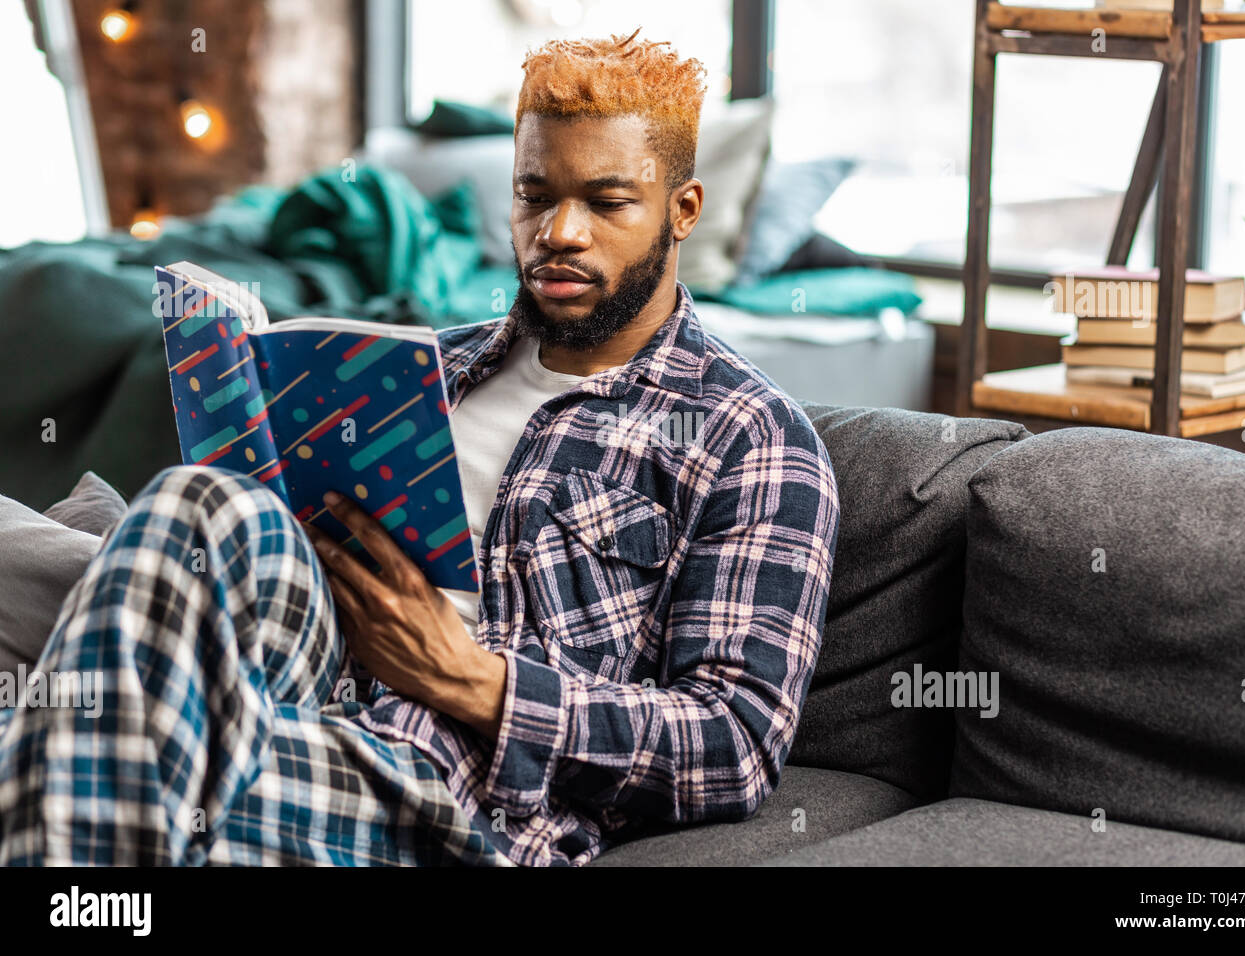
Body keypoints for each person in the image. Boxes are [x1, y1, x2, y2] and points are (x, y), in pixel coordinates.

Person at [0, 29, 839, 867]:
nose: (559, 233)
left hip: (447, 788)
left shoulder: (750, 437)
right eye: (534, 195)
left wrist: (468, 676)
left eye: (606, 202)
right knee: (201, 500)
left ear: (682, 209)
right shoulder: (428, 364)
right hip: (289, 667)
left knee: (109, 750)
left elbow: (736, 744)